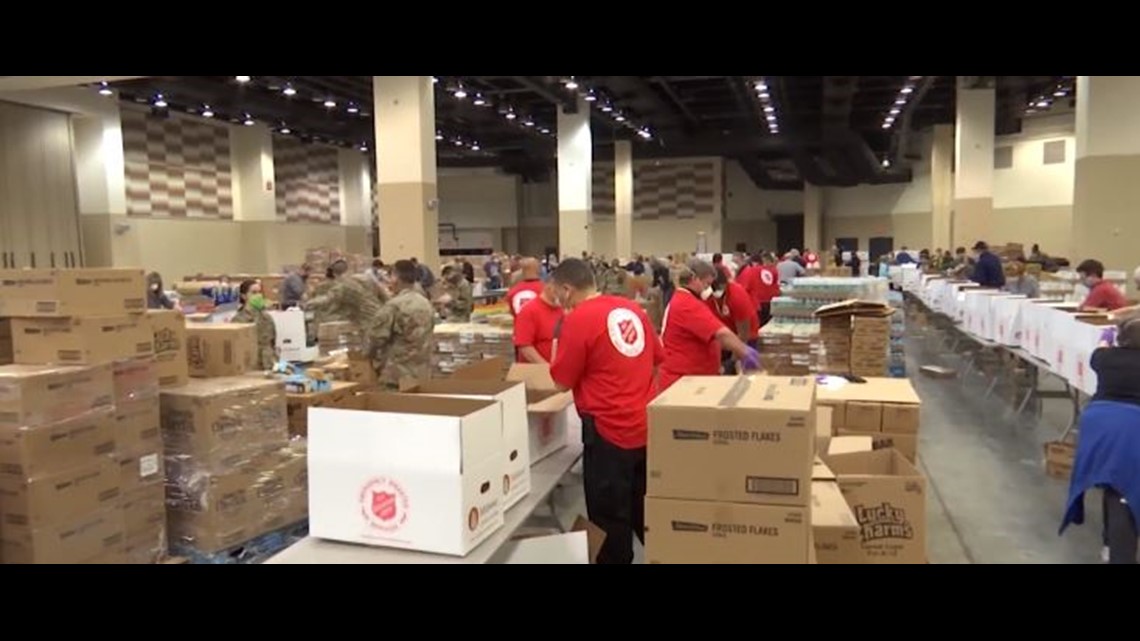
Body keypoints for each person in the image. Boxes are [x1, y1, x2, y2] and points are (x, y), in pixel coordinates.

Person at [548, 258, 662, 565]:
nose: (557, 300)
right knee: (645, 511)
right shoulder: (632, 310)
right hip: (645, 427)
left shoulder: (578, 320)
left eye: (557, 293)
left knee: (610, 519)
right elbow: (657, 357)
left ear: (567, 289)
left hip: (608, 433)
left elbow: (560, 381)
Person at [1061, 313, 1140, 564]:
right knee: (1127, 487)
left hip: (1101, 424)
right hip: (1132, 425)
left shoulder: (1104, 358)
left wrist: (1107, 335)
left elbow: (1100, 347)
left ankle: (1111, 546)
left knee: (1114, 484)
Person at [658, 260, 760, 392]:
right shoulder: (687, 304)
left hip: (692, 378)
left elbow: (711, 333)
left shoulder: (688, 300)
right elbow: (721, 333)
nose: (709, 290)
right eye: (707, 284)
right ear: (694, 279)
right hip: (682, 381)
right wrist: (745, 351)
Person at [374, 260, 435, 387]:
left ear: (396, 278)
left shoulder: (394, 306)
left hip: (397, 376)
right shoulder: (425, 303)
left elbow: (375, 338)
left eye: (390, 276)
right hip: (422, 372)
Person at [708, 269, 760, 373]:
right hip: (725, 335)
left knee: (743, 371)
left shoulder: (737, 296)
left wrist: (732, 361)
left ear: (725, 284)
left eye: (718, 287)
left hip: (746, 337)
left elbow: (744, 334)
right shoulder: (707, 296)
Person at [513, 280, 563, 364]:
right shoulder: (529, 311)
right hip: (536, 371)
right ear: (549, 287)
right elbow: (525, 346)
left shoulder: (563, 309)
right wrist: (546, 368)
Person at [232, 279, 278, 370]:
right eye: (254, 292)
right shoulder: (238, 320)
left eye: (259, 292)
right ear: (244, 296)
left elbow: (272, 342)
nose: (258, 296)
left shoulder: (266, 317)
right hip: (251, 365)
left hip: (268, 363)